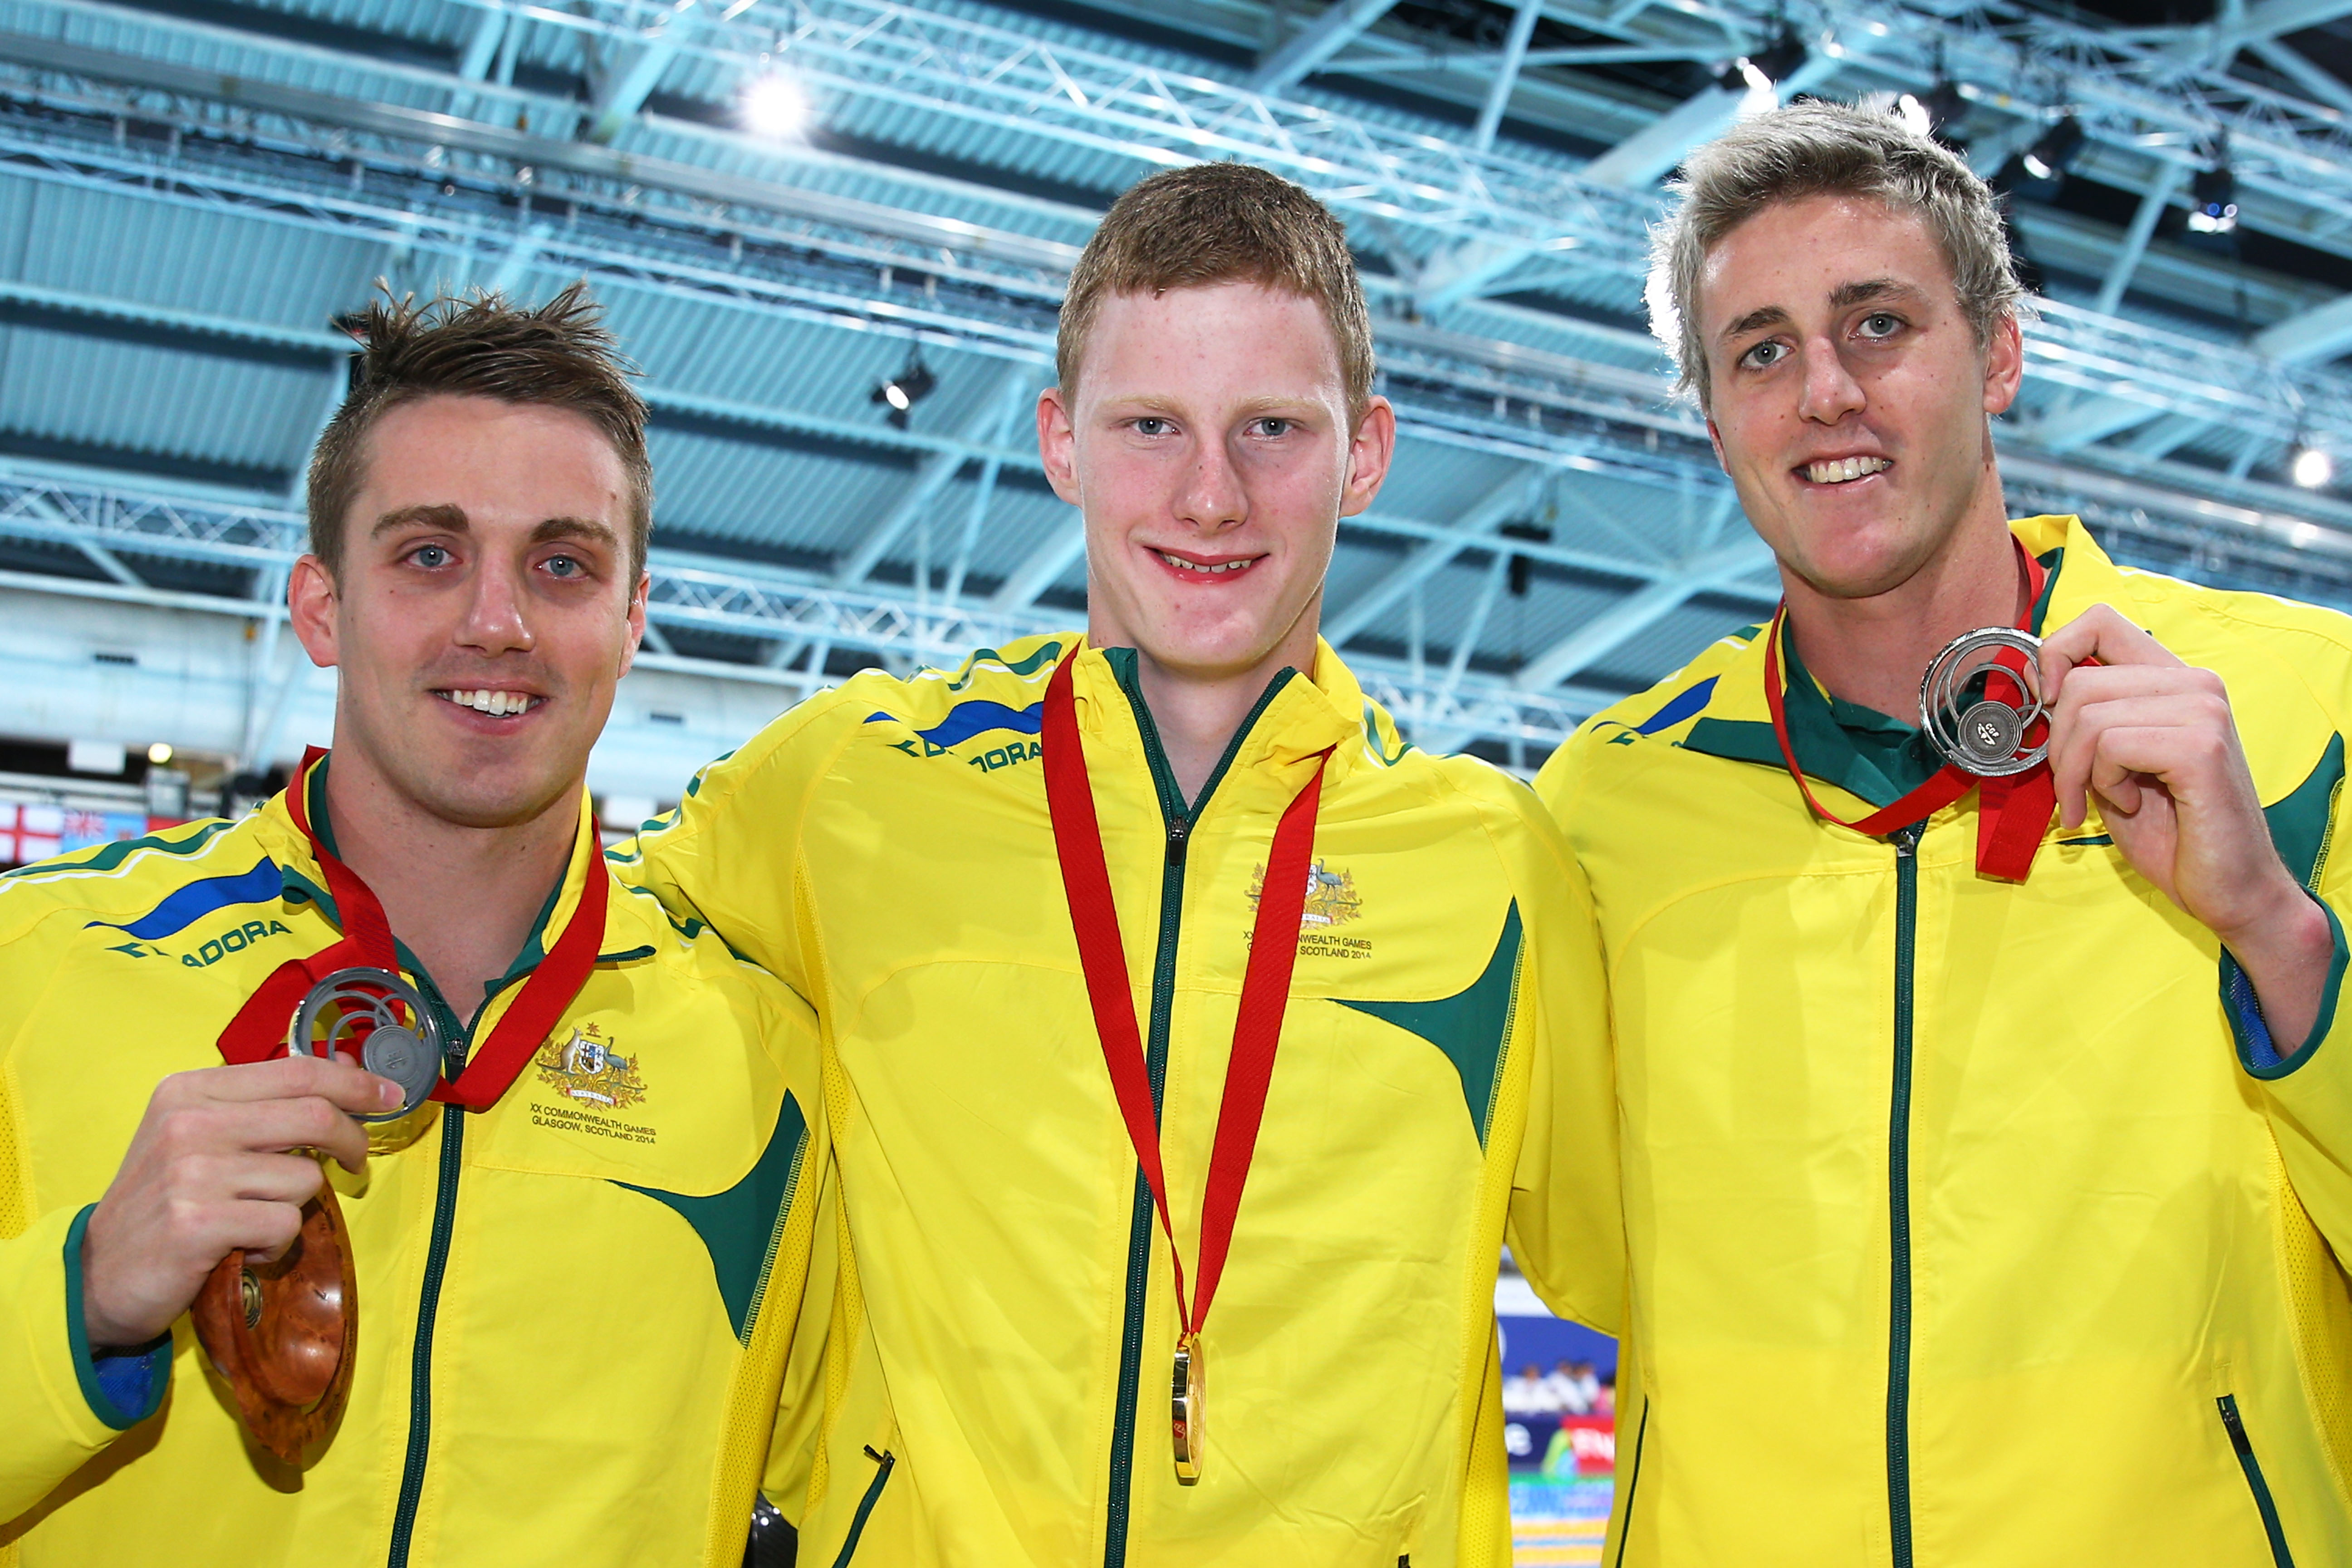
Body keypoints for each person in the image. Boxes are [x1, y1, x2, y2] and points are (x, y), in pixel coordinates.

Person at [617, 162, 1622, 1566]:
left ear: (1367, 451)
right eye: (1150, 425)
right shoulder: (856, 785)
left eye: (1275, 427)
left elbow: (1710, 1253)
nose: (1211, 496)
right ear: (1062, 443)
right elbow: (547, 977)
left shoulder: (1493, 865)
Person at [1539, 99, 2352, 1566]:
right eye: (1762, 351)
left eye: (1879, 324)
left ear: (1999, 353)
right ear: (1714, 417)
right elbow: (1589, 1251)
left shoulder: (2302, 711)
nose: (1824, 393)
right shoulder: (1604, 806)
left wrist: (2280, 942)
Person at [0, 287, 825, 1566]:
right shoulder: (41, 971)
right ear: (321, 606)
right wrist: (82, 1298)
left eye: (563, 564)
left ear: (631, 619)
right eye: (429, 554)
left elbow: (905, 1480)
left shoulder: (767, 1063)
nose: (496, 622)